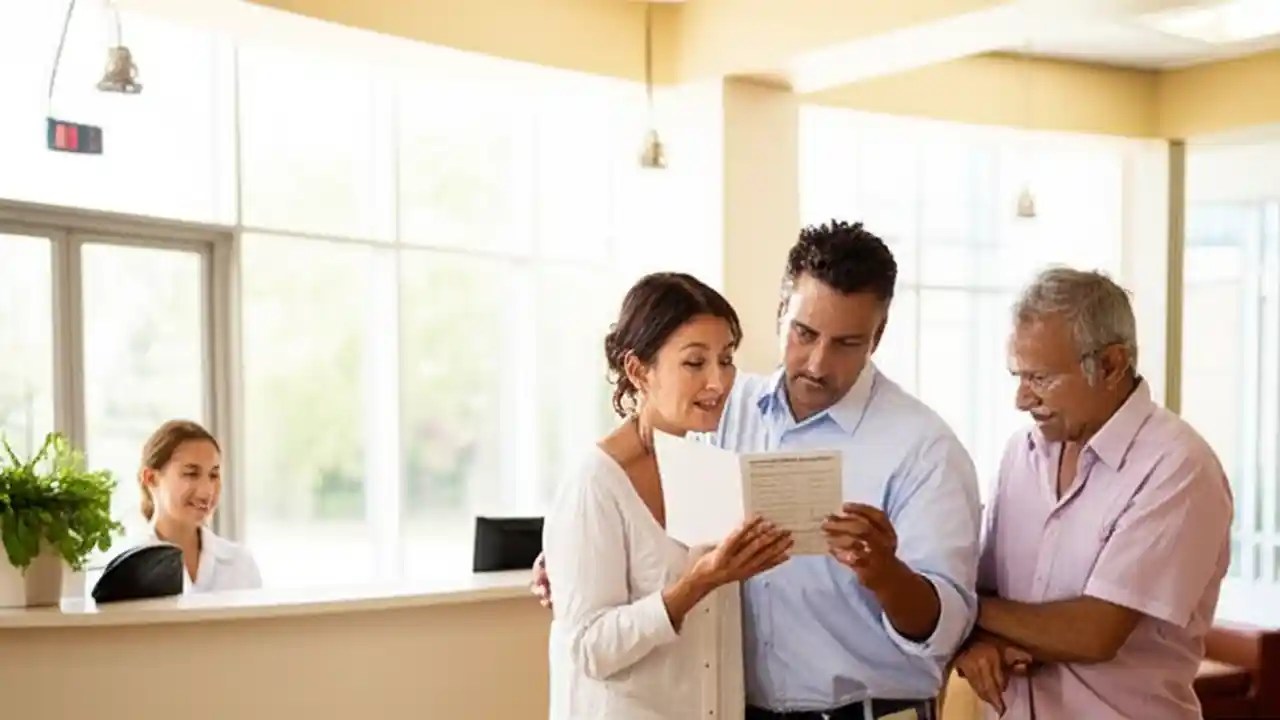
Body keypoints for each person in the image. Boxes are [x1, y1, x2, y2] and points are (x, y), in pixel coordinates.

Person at [537, 221, 983, 719]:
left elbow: (949, 627)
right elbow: (645, 523)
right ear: (779, 315)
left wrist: (886, 574)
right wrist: (576, 556)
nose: (817, 362)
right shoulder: (719, 412)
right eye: (804, 333)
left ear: (877, 337)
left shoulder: (925, 449)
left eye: (847, 343)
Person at [954, 267, 1233, 719]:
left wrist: (955, 608)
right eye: (1018, 377)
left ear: (1110, 365)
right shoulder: (1019, 454)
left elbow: (1093, 633)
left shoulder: (1178, 467)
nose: (1021, 400)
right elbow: (986, 585)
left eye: (1040, 379)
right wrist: (973, 639)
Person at [543, 271, 793, 720]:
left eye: (727, 358)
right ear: (638, 370)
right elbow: (588, 648)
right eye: (695, 363)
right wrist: (697, 583)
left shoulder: (712, 466)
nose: (719, 382)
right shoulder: (595, 483)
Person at [133, 419, 262, 592]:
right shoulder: (128, 569)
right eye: (191, 474)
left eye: (214, 475)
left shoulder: (240, 564)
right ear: (151, 478)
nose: (206, 491)